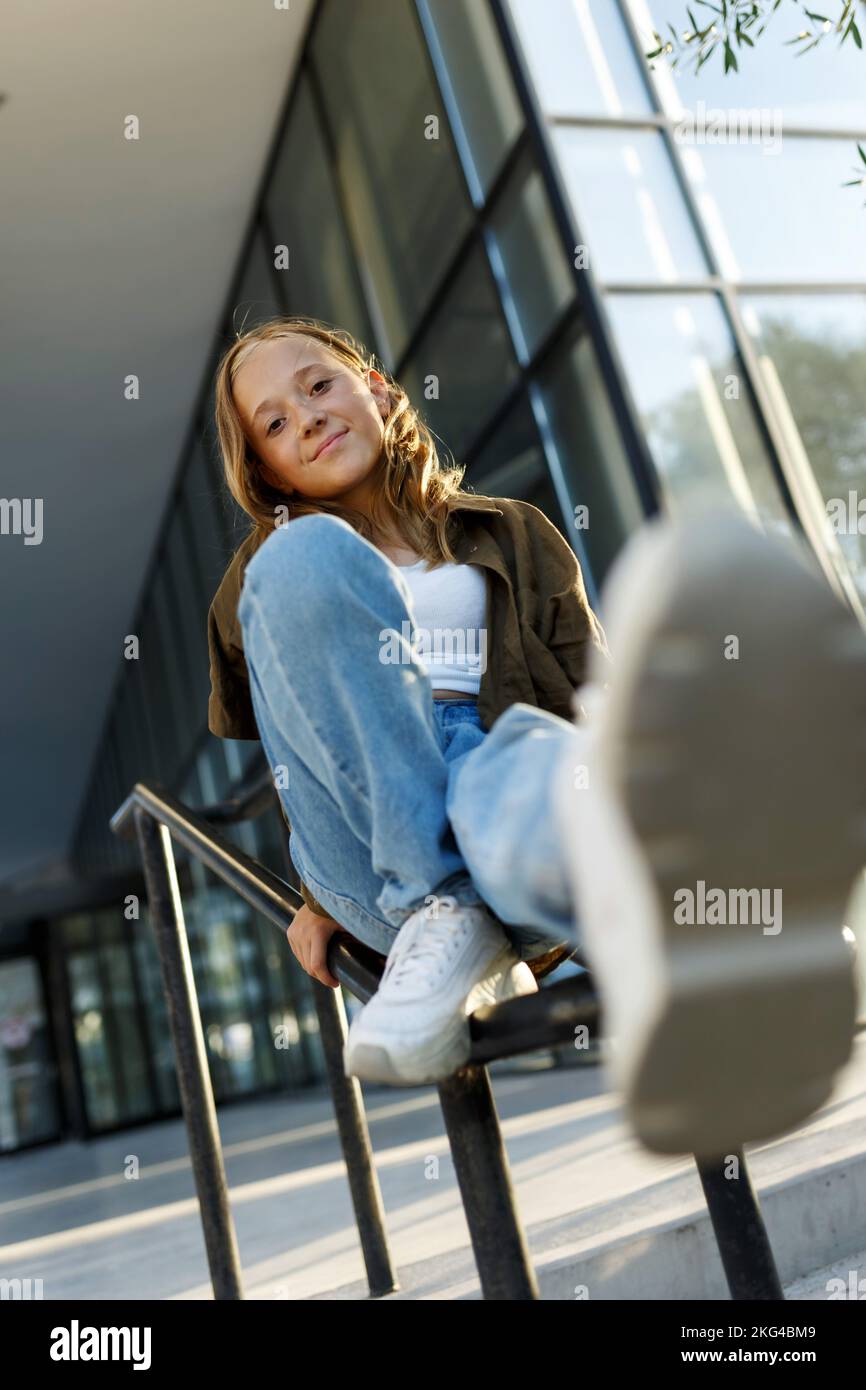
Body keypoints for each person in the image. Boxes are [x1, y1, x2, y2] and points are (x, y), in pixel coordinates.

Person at [207, 314, 866, 1156]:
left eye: (318, 384)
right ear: (263, 470)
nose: (304, 415)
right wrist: (311, 892)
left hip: (511, 789)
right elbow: (299, 733)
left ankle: (718, 929)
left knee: (515, 757)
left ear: (375, 389)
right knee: (302, 566)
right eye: (272, 422)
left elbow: (588, 702)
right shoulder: (272, 566)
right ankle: (461, 907)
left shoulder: (512, 531)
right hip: (371, 850)